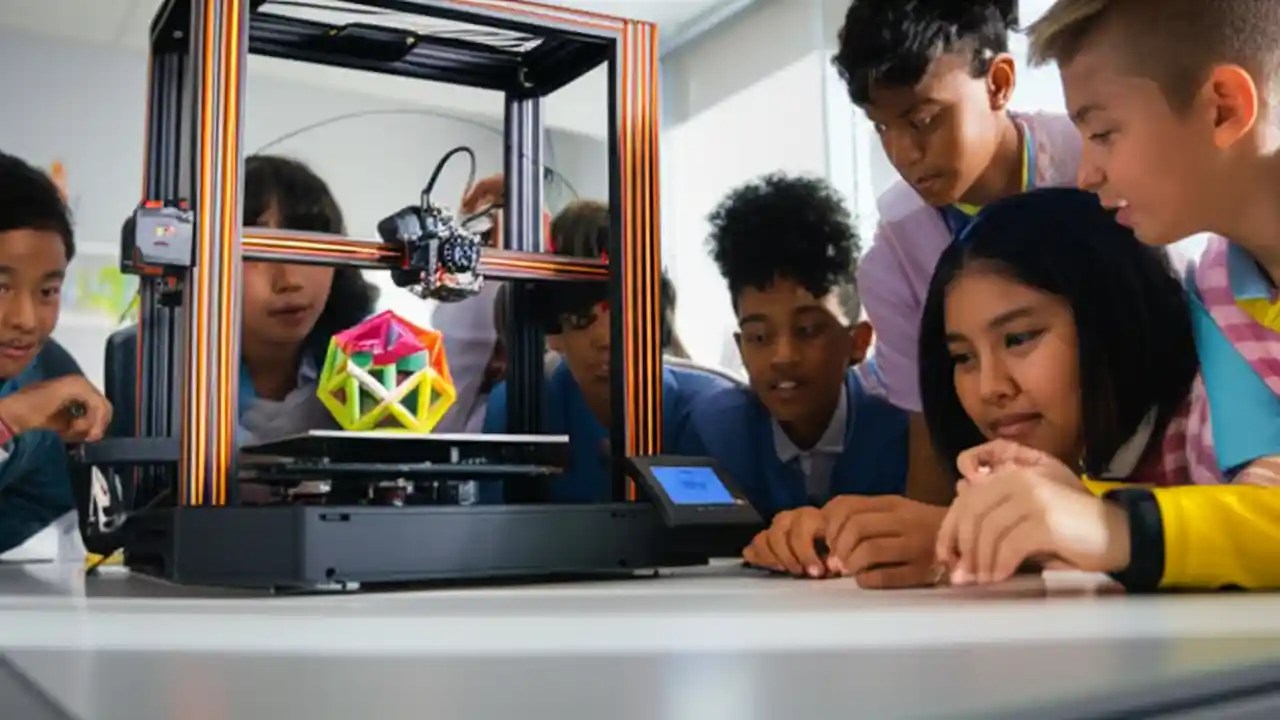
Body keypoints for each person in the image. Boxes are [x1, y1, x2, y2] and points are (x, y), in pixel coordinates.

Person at [936, 0, 1280, 591]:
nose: (1087, 172)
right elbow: (1256, 504)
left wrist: (1105, 522)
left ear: (1223, 108)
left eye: (1103, 133)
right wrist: (1055, 506)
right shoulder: (1221, 285)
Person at [831, 0, 1082, 505]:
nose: (903, 154)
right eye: (882, 128)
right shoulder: (895, 262)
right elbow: (933, 436)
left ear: (998, 83)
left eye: (923, 120)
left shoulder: (1093, 165)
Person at [690, 174, 907, 578]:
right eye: (759, 336)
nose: (782, 357)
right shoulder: (715, 435)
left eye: (808, 330)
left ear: (858, 341)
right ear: (740, 349)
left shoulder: (902, 427)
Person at [109, 155, 378, 446]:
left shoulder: (371, 363)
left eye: (307, 251)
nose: (289, 281)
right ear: (204, 260)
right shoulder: (157, 362)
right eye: (254, 254)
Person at [482, 200, 733, 503]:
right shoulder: (517, 409)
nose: (604, 339)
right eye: (580, 318)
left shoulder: (714, 414)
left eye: (625, 314)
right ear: (553, 333)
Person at [0, 151, 112, 553]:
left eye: (47, 291)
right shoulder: (36, 394)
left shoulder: (48, 369)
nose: (26, 319)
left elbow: (43, 502)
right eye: (1, 287)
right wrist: (12, 418)